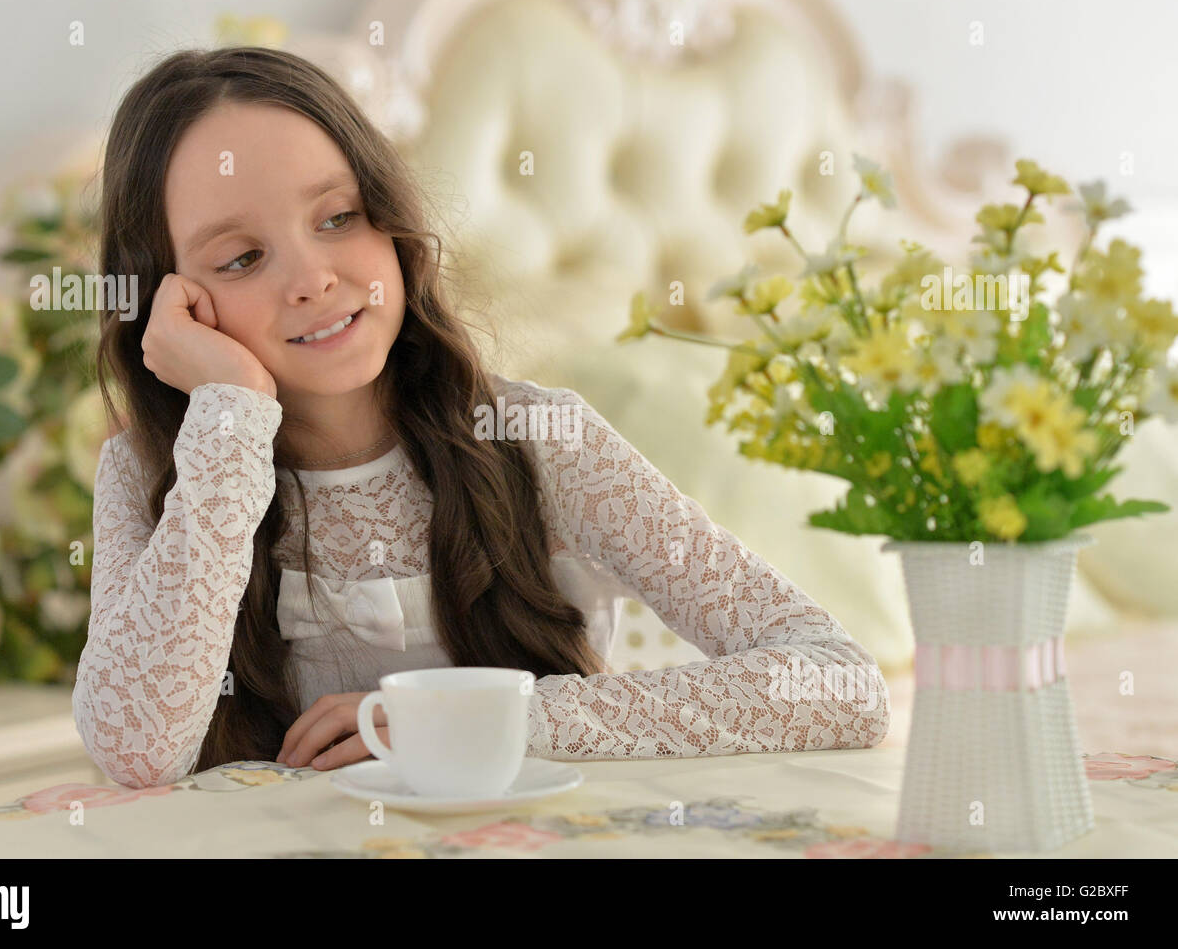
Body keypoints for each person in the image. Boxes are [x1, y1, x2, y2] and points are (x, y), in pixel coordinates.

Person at [73, 46, 889, 791]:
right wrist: (230, 416)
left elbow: (838, 678)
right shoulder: (154, 474)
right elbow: (136, 747)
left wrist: (474, 718)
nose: (313, 278)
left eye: (337, 217)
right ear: (173, 305)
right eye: (243, 258)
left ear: (389, 221)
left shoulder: (537, 440)